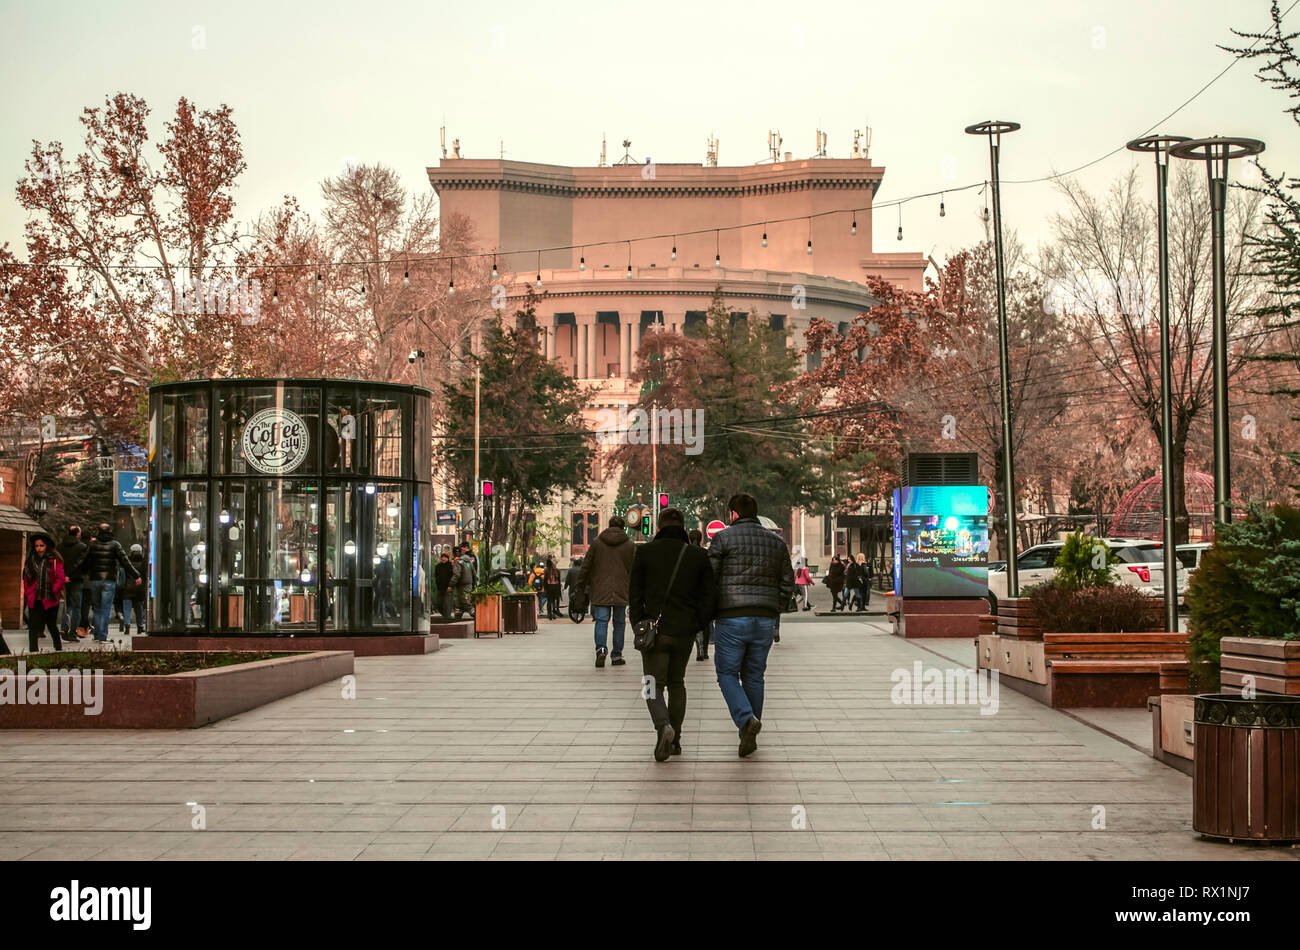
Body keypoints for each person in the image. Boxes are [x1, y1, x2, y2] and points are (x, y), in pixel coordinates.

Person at [708, 493, 796, 758]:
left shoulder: (722, 539)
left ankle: (746, 719)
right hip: (764, 618)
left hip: (732, 616)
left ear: (733, 514)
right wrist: (774, 608)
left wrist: (711, 612)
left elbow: (710, 580)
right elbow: (787, 582)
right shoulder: (776, 543)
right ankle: (749, 733)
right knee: (755, 676)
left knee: (726, 673)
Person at [629, 508, 714, 761]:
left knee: (651, 684)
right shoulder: (698, 555)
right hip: (684, 631)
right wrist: (698, 623)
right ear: (683, 527)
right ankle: (675, 738)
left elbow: (634, 594)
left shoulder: (645, 552)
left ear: (658, 527)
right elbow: (709, 595)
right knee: (677, 684)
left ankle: (662, 725)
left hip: (654, 631)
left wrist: (638, 623)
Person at [575, 515, 635, 667]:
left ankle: (601, 649)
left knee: (601, 621)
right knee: (619, 623)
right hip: (622, 588)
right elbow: (635, 569)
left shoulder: (597, 543)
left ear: (608, 526)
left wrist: (580, 586)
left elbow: (586, 566)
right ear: (623, 528)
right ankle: (616, 656)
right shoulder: (629, 545)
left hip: (600, 588)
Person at [76, 523, 140, 642]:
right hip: (109, 580)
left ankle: (97, 633)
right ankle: (102, 635)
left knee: (97, 608)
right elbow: (125, 562)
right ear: (110, 531)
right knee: (105, 608)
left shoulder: (92, 544)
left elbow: (82, 560)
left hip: (95, 580)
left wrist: (74, 573)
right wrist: (136, 575)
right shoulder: (115, 545)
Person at [23, 532, 66, 652]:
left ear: (47, 546)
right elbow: (26, 578)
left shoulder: (54, 560)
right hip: (35, 597)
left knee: (51, 625)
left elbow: (60, 578)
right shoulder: (30, 560)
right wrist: (28, 592)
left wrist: (54, 591)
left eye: (41, 545)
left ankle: (58, 648)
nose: (39, 548)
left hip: (50, 598)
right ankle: (33, 651)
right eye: (36, 546)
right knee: (33, 626)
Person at [57, 525, 89, 639]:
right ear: (78, 534)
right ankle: (72, 632)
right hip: (77, 580)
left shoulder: (59, 547)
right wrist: (71, 574)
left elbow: (57, 563)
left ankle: (64, 628)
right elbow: (83, 564)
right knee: (76, 607)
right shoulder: (82, 547)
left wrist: (64, 575)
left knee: (67, 605)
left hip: (64, 579)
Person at [688, 529, 711, 661]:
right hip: (703, 592)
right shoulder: (706, 553)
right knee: (705, 622)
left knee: (695, 620)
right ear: (701, 539)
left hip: (691, 592)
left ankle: (699, 649)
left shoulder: (685, 553)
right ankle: (705, 650)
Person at [119, 543, 147, 636]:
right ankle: (140, 626)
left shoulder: (127, 562)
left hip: (128, 589)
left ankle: (127, 626)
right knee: (139, 608)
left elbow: (122, 576)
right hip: (140, 589)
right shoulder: (144, 562)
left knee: (126, 609)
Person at [451, 544, 477, 619]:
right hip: (469, 584)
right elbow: (474, 573)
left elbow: (456, 575)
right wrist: (474, 583)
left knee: (464, 601)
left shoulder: (458, 562)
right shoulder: (468, 561)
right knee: (463, 600)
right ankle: (459, 613)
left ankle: (473, 613)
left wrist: (451, 584)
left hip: (460, 585)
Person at [434, 550, 455, 620]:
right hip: (440, 587)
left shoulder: (451, 566)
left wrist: (451, 586)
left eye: (445, 557)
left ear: (447, 558)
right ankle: (445, 615)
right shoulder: (438, 566)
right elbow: (436, 576)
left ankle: (447, 616)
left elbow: (453, 577)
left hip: (448, 587)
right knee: (438, 603)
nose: (443, 558)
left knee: (447, 603)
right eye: (442, 557)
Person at [543, 555, 563, 620]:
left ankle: (549, 614)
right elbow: (559, 580)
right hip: (556, 587)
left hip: (549, 587)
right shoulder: (556, 570)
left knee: (549, 601)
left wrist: (545, 588)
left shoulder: (546, 570)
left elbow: (544, 580)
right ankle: (554, 613)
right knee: (554, 600)